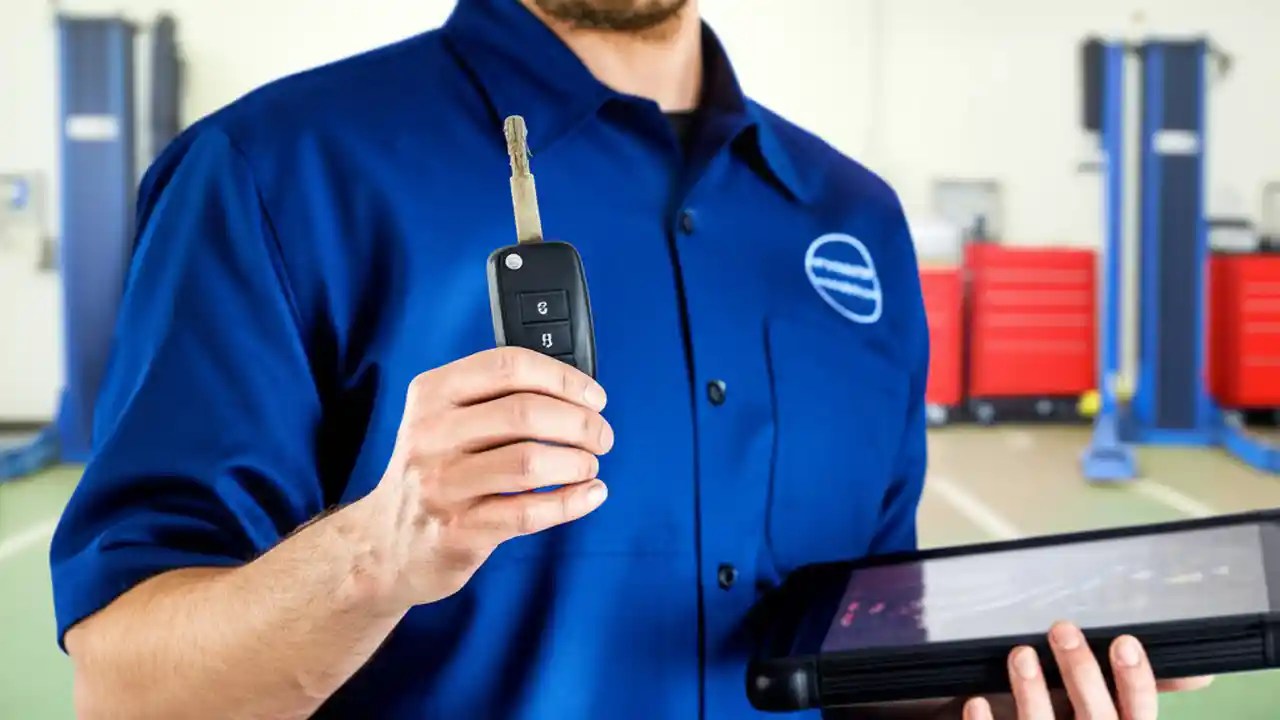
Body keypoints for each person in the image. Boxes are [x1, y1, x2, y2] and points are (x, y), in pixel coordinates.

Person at [48, 0, 1209, 717]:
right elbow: (126, 691)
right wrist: (374, 553)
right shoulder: (274, 172)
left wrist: (991, 696)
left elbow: (849, 662)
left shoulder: (850, 217)